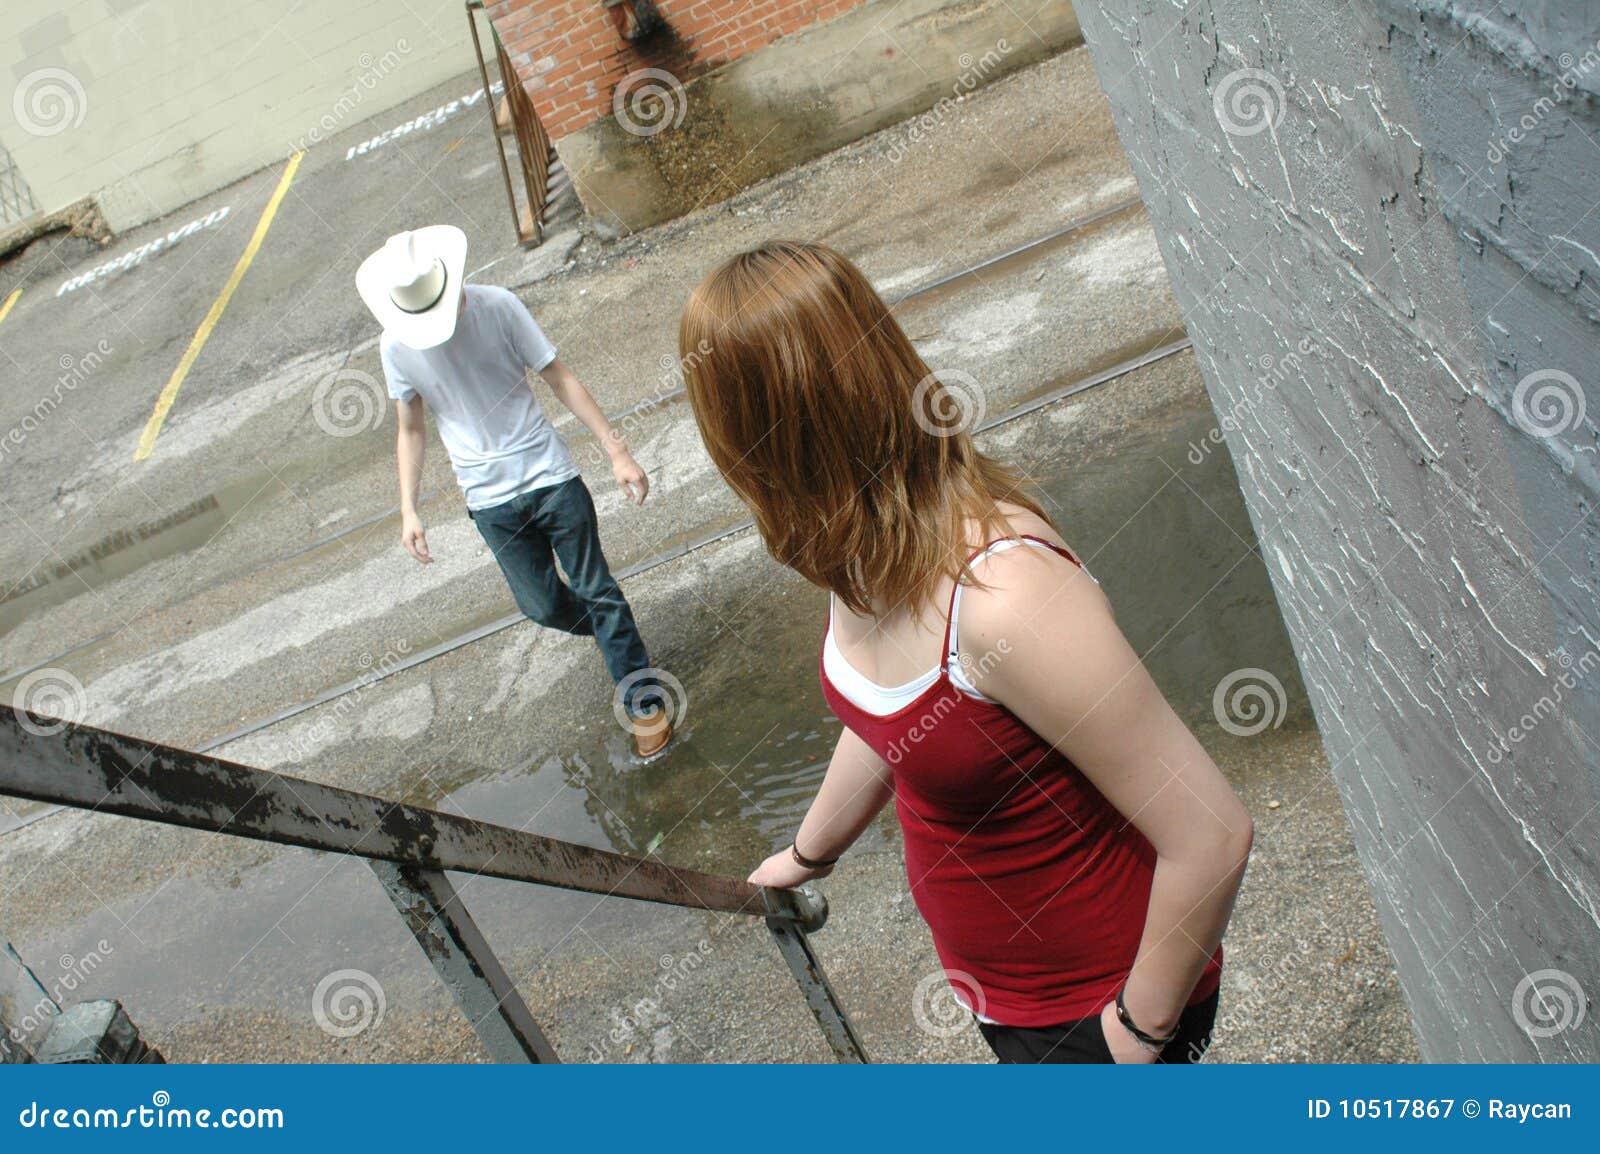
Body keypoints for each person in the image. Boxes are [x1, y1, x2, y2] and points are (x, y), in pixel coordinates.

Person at [679, 240, 1253, 1063]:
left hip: (1098, 1005)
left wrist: (1133, 1035)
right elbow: (894, 722)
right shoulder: (859, 547)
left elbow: (1213, 834)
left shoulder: (1003, 595)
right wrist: (808, 854)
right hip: (1003, 993)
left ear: (757, 439)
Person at [357, 225, 672, 758]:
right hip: (487, 500)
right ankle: (612, 629)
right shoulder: (395, 344)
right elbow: (410, 427)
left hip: (550, 477)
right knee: (542, 606)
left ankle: (642, 698)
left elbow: (560, 377)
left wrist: (616, 451)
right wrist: (408, 509)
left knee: (596, 587)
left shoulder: (498, 306)